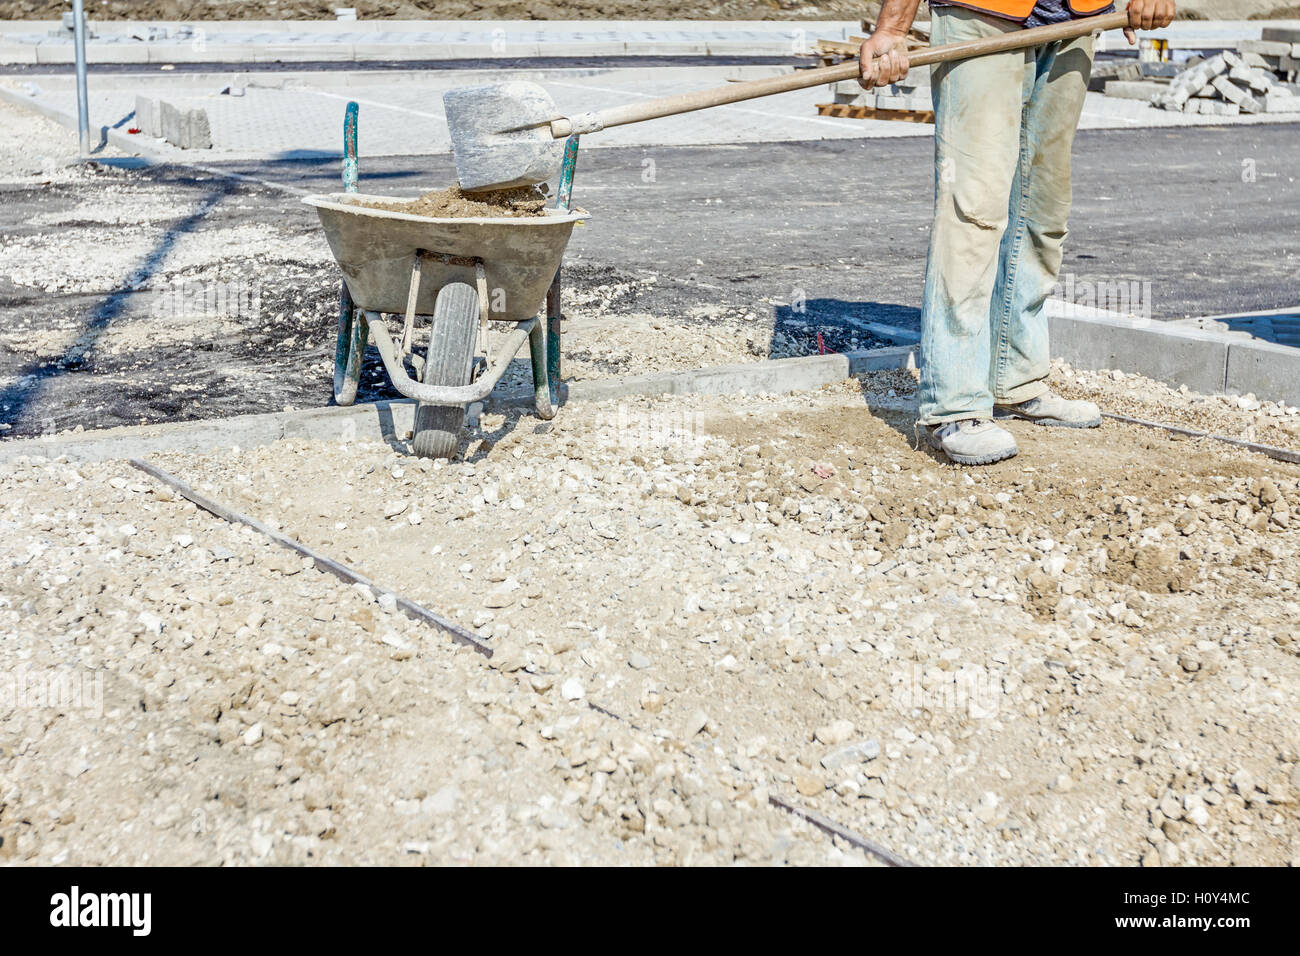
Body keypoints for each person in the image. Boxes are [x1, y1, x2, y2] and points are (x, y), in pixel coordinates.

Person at [858, 0, 1177, 465]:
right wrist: (893, 27)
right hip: (983, 12)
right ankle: (955, 405)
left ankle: (1016, 380)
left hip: (1079, 18)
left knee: (1042, 210)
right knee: (974, 208)